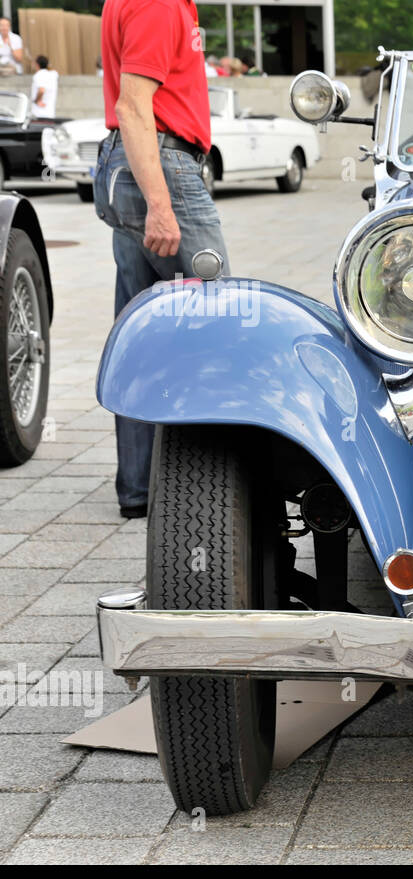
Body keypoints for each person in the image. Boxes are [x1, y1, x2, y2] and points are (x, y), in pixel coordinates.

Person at [95, 0, 230, 519]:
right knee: (219, 324)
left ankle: (141, 490)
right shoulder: (158, 2)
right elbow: (133, 106)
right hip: (161, 163)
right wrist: (159, 204)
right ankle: (213, 489)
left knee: (141, 334)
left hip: (135, 160)